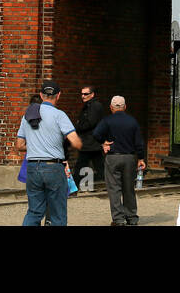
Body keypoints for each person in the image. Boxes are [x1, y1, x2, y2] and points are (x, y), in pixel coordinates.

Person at [18, 81, 81, 226]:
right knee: (57, 212)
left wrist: (36, 145)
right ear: (58, 95)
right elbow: (76, 142)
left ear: (41, 95)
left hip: (33, 167)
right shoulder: (59, 115)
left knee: (34, 212)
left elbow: (19, 145)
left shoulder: (27, 116)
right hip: (53, 166)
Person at [92, 95, 146, 225]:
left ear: (110, 107)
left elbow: (96, 134)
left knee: (114, 189)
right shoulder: (132, 121)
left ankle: (118, 219)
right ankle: (132, 217)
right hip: (129, 158)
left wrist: (103, 142)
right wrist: (141, 158)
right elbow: (139, 142)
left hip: (113, 156)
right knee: (129, 188)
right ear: (125, 107)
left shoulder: (107, 120)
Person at [73, 85, 105, 189]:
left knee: (81, 165)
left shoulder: (94, 106)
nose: (83, 96)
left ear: (92, 94)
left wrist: (78, 127)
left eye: (85, 94)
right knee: (99, 165)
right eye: (82, 94)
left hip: (90, 142)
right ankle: (109, 184)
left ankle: (73, 186)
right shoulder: (90, 106)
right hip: (91, 142)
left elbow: (89, 123)